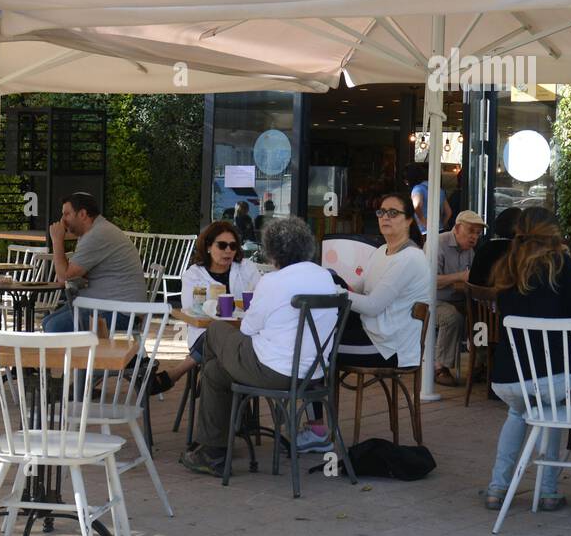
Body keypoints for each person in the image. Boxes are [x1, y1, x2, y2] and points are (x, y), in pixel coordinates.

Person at [180, 216, 342, 477]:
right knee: (213, 371)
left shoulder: (273, 282)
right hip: (314, 373)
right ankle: (215, 445)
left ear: (272, 251)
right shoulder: (324, 277)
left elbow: (246, 329)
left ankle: (214, 449)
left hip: (274, 371)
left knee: (216, 330)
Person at [484, 208, 571, 512]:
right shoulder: (559, 264)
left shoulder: (506, 265)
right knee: (552, 412)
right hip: (552, 378)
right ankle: (548, 490)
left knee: (517, 413)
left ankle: (497, 488)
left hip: (508, 376)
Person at [336, 192, 429, 369]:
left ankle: (314, 397)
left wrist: (335, 291)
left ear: (409, 220)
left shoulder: (410, 258)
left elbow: (372, 306)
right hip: (371, 332)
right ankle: (316, 397)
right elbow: (357, 290)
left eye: (393, 213)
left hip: (389, 347)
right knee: (317, 337)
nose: (385, 217)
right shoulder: (380, 251)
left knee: (318, 347)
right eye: (381, 212)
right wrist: (333, 282)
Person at [163, 222, 261, 389]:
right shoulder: (193, 274)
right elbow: (190, 308)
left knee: (216, 364)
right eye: (222, 245)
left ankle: (181, 373)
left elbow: (260, 298)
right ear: (208, 247)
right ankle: (216, 389)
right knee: (216, 335)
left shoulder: (246, 268)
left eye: (233, 245)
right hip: (204, 335)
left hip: (244, 336)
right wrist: (213, 307)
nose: (228, 250)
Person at [43, 192, 146, 333]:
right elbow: (69, 276)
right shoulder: (92, 232)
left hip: (122, 313)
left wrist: (56, 240)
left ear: (82, 214)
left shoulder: (97, 235)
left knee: (54, 327)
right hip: (108, 306)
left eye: (67, 214)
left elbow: (63, 278)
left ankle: (81, 355)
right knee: (47, 321)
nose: (62, 220)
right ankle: (78, 355)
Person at [432, 210, 485, 386]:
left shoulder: (470, 251)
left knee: (482, 315)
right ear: (456, 228)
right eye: (470, 231)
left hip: (458, 298)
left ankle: (480, 363)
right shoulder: (438, 243)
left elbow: (471, 278)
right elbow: (430, 281)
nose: (474, 237)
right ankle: (440, 367)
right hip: (432, 300)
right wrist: (460, 277)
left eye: (477, 233)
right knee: (452, 317)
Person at [468, 206, 521, 287]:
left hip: (479, 298)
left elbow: (472, 281)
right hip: (504, 298)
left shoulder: (484, 247)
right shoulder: (521, 252)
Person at [407, 164, 451, 236]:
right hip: (439, 230)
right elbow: (448, 212)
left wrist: (424, 223)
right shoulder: (439, 189)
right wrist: (441, 224)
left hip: (423, 231)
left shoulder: (417, 189)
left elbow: (416, 206)